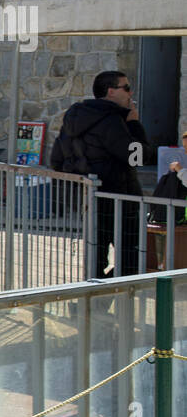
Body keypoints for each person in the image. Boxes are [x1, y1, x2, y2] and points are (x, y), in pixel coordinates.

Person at [50, 70, 149, 277]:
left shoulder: (74, 117)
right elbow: (138, 157)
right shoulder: (112, 120)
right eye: (127, 88)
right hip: (119, 197)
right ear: (111, 91)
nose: (131, 94)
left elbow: (57, 159)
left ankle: (92, 303)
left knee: (96, 257)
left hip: (91, 197)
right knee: (131, 258)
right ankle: (103, 303)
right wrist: (134, 124)